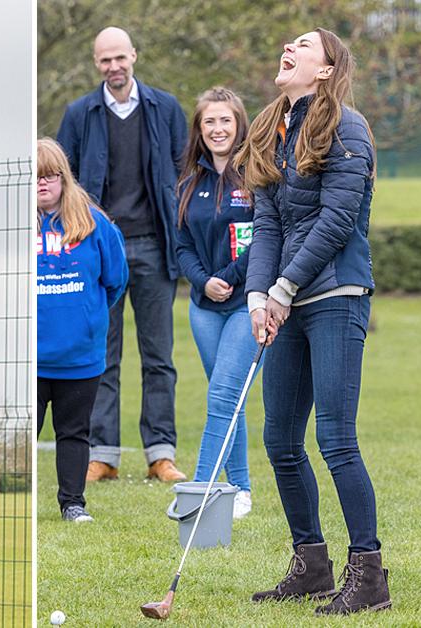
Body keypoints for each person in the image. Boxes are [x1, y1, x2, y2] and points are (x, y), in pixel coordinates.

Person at [237, 29, 390, 614]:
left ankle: (369, 575)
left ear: (326, 69)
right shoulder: (272, 129)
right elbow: (269, 224)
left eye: (303, 45)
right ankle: (311, 565)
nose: (289, 48)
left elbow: (335, 222)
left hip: (336, 295)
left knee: (335, 439)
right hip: (286, 301)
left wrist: (284, 287)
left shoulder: (346, 127)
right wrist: (258, 295)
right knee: (279, 439)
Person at [56, 26, 189, 483]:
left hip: (154, 247)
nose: (114, 67)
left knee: (159, 358)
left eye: (120, 58)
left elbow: (180, 174)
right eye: (105, 60)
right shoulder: (79, 114)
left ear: (134, 55)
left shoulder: (167, 108)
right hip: (99, 252)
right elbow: (64, 183)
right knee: (102, 358)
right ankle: (104, 454)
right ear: (96, 64)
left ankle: (161, 454)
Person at [173, 87, 257, 519]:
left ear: (239, 124)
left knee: (225, 394)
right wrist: (203, 283)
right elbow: (182, 244)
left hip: (247, 305)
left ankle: (204, 488)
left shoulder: (258, 177)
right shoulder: (190, 184)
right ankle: (239, 485)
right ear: (199, 130)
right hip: (204, 309)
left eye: (225, 120)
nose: (218, 128)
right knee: (228, 398)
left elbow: (264, 240)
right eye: (210, 122)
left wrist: (226, 279)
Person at [36, 138, 128, 523]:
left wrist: (87, 317)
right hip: (34, 360)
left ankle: (72, 502)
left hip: (80, 356)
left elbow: (115, 280)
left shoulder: (95, 223)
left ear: (64, 177)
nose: (41, 184)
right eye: (33, 177)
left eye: (49, 176)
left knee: (73, 433)